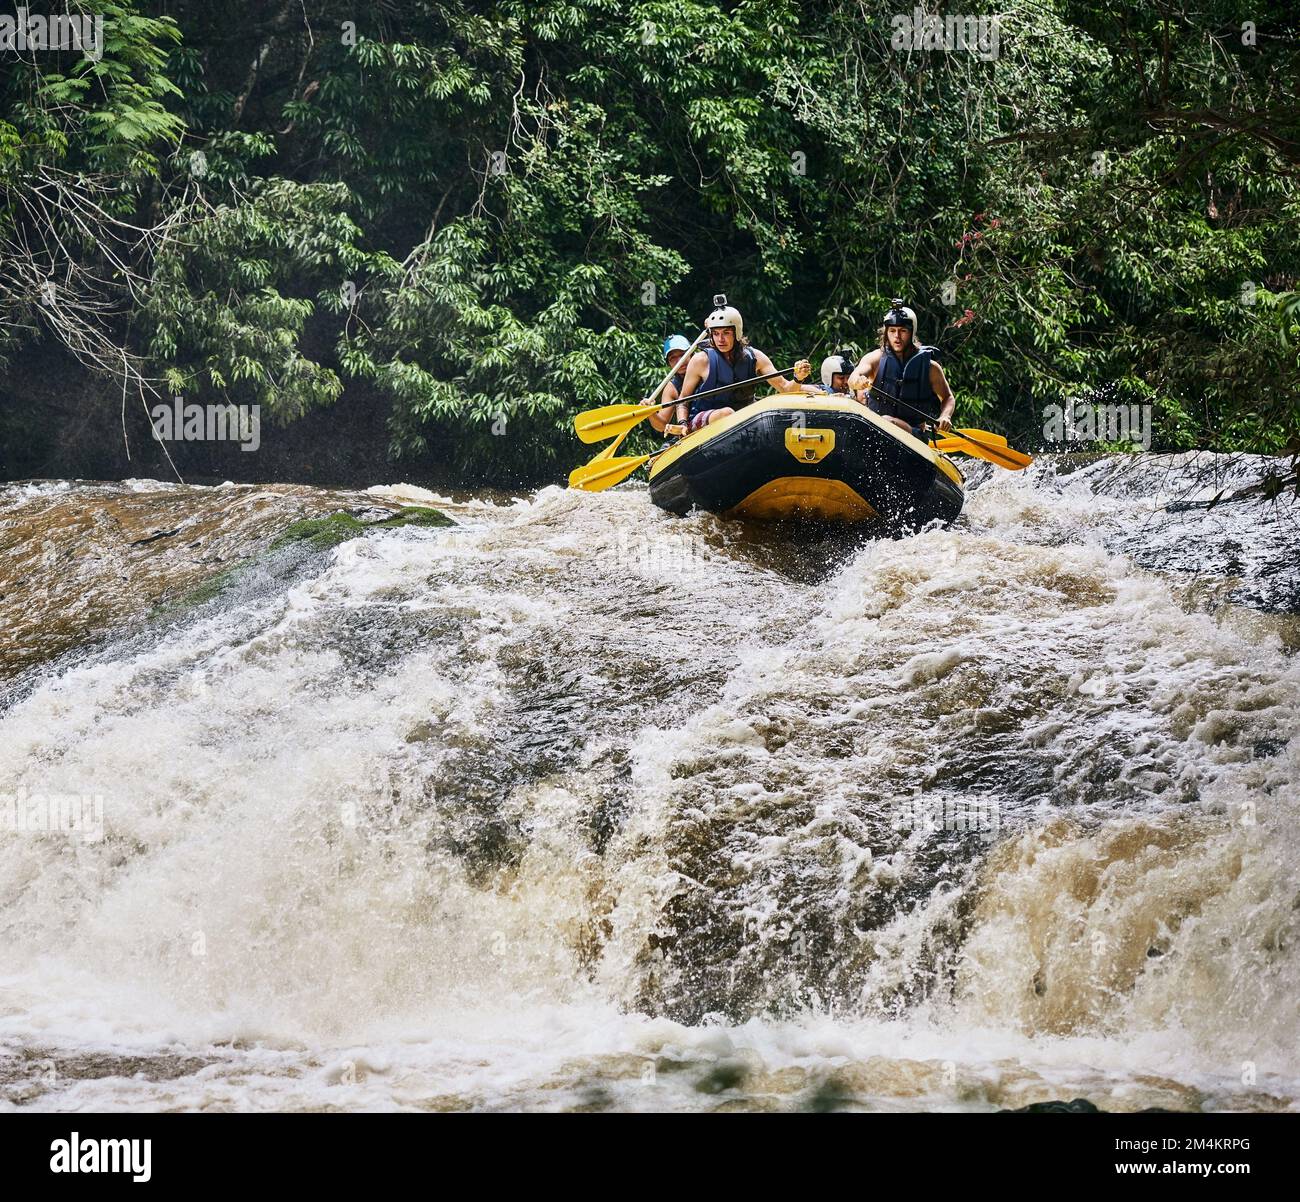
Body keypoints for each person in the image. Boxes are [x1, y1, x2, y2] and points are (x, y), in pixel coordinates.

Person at [672, 300, 814, 433]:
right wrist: (683, 424)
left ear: (737, 332)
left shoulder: (755, 358)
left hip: (742, 420)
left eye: (726, 333)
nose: (720, 339)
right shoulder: (701, 360)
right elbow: (683, 400)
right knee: (726, 413)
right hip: (704, 419)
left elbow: (785, 388)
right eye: (716, 334)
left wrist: (798, 378)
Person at [848, 301, 955, 437]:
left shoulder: (930, 367)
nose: (897, 336)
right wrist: (857, 381)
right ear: (886, 333)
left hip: (913, 434)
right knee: (884, 422)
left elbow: (948, 397)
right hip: (876, 431)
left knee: (888, 421)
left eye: (903, 331)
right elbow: (853, 378)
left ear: (912, 333)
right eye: (892, 331)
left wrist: (945, 416)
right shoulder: (874, 359)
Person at [649, 334, 693, 433]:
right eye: (673, 358)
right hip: (690, 430)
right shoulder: (672, 387)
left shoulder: (704, 365)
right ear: (669, 364)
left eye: (682, 354)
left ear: (691, 354)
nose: (679, 361)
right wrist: (650, 412)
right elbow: (661, 426)